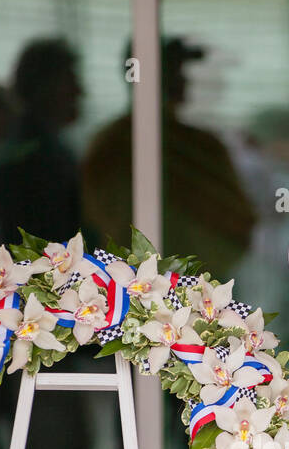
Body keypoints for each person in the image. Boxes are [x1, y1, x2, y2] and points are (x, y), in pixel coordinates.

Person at [82, 36, 256, 274]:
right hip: (145, 286)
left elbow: (239, 224)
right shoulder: (113, 147)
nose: (185, 79)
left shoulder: (109, 145)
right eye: (174, 70)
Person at [0, 38, 83, 246]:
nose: (79, 91)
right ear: (44, 87)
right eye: (70, 81)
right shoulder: (40, 159)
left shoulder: (33, 147)